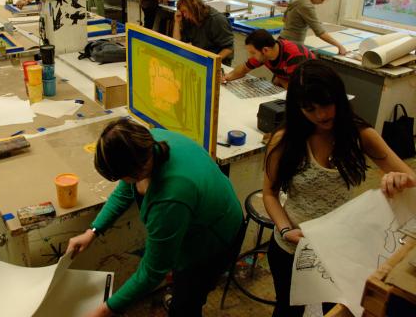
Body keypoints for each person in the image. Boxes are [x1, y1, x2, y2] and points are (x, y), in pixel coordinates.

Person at [262, 60, 416, 317]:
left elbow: (409, 177)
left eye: (326, 104)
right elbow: (269, 193)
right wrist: (285, 229)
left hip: (338, 248)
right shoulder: (286, 139)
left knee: (335, 309)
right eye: (310, 109)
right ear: (298, 108)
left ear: (338, 97)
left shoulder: (359, 134)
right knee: (288, 310)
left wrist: (398, 180)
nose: (322, 115)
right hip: (293, 247)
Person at [66, 118, 243, 317]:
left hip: (215, 239)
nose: (123, 181)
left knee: (186, 304)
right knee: (182, 287)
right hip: (209, 210)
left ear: (135, 171)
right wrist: (93, 231)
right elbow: (127, 187)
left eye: (121, 176)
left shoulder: (170, 197)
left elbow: (153, 271)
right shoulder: (147, 142)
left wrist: (106, 309)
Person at [222, 29, 315, 88]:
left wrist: (280, 79)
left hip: (309, 87)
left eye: (253, 53)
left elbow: (296, 91)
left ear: (265, 50)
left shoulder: (294, 57)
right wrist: (227, 77)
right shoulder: (266, 53)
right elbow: (244, 68)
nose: (250, 57)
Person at [280, 0, 347, 55]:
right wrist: (339, 46)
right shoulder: (306, 5)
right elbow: (320, 33)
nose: (322, 2)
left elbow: (284, 19)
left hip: (282, 40)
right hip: (292, 45)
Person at [173, 0, 235, 66]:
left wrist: (212, 63)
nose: (184, 15)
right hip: (202, 59)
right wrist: (177, 22)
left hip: (219, 63)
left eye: (185, 11)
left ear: (194, 7)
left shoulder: (216, 20)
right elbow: (177, 43)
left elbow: (229, 48)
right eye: (182, 12)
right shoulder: (189, 19)